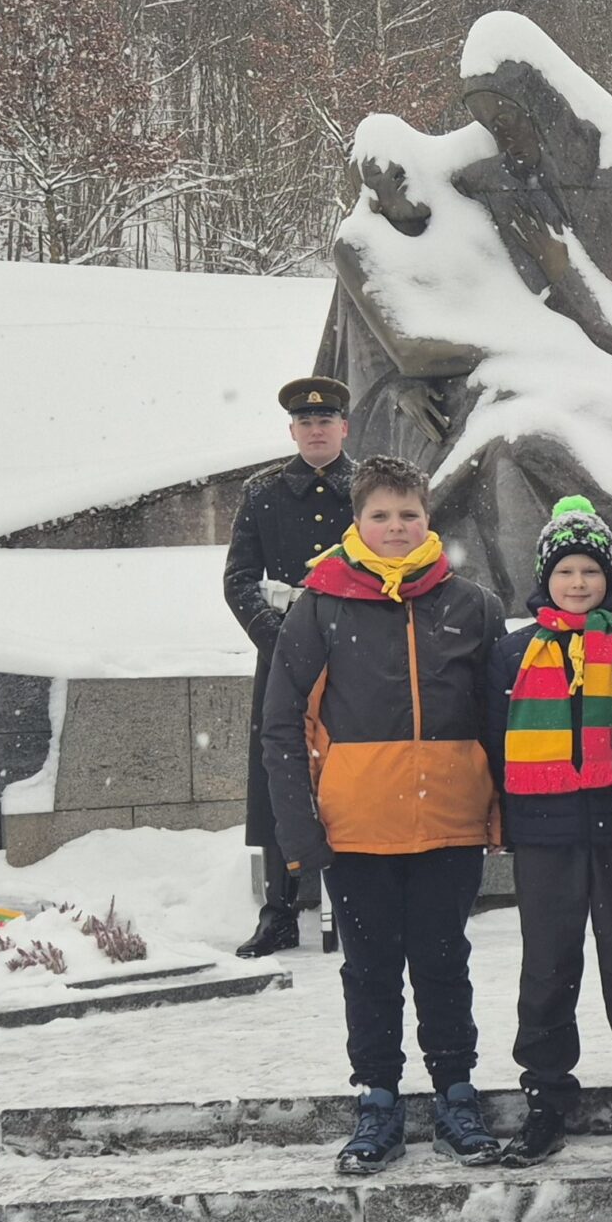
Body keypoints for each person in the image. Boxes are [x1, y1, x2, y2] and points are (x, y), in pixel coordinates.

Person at [262, 456, 509, 1176]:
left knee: (443, 962)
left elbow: (501, 722)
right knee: (369, 970)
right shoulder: (320, 605)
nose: (396, 528)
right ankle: (377, 1099)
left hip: (450, 822)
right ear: (357, 521)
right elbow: (281, 724)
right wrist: (298, 832)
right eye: (381, 515)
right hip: (358, 827)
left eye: (409, 514)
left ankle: (455, 1093)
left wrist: (503, 814)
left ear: (428, 518)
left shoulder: (474, 606)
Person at [482, 497, 612, 1169]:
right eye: (566, 570)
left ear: (608, 578)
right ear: (546, 578)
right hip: (545, 832)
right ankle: (546, 1098)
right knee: (546, 968)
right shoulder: (513, 653)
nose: (578, 582)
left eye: (590, 571)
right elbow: (491, 740)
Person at [222, 375, 356, 958]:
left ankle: (357, 902)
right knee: (281, 777)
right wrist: (282, 643)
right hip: (283, 660)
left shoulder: (371, 486)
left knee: (356, 774)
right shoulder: (263, 491)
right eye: (306, 422)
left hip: (357, 660)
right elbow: (239, 580)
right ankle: (279, 910)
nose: (316, 429)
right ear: (293, 430)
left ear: (344, 427)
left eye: (326, 421)